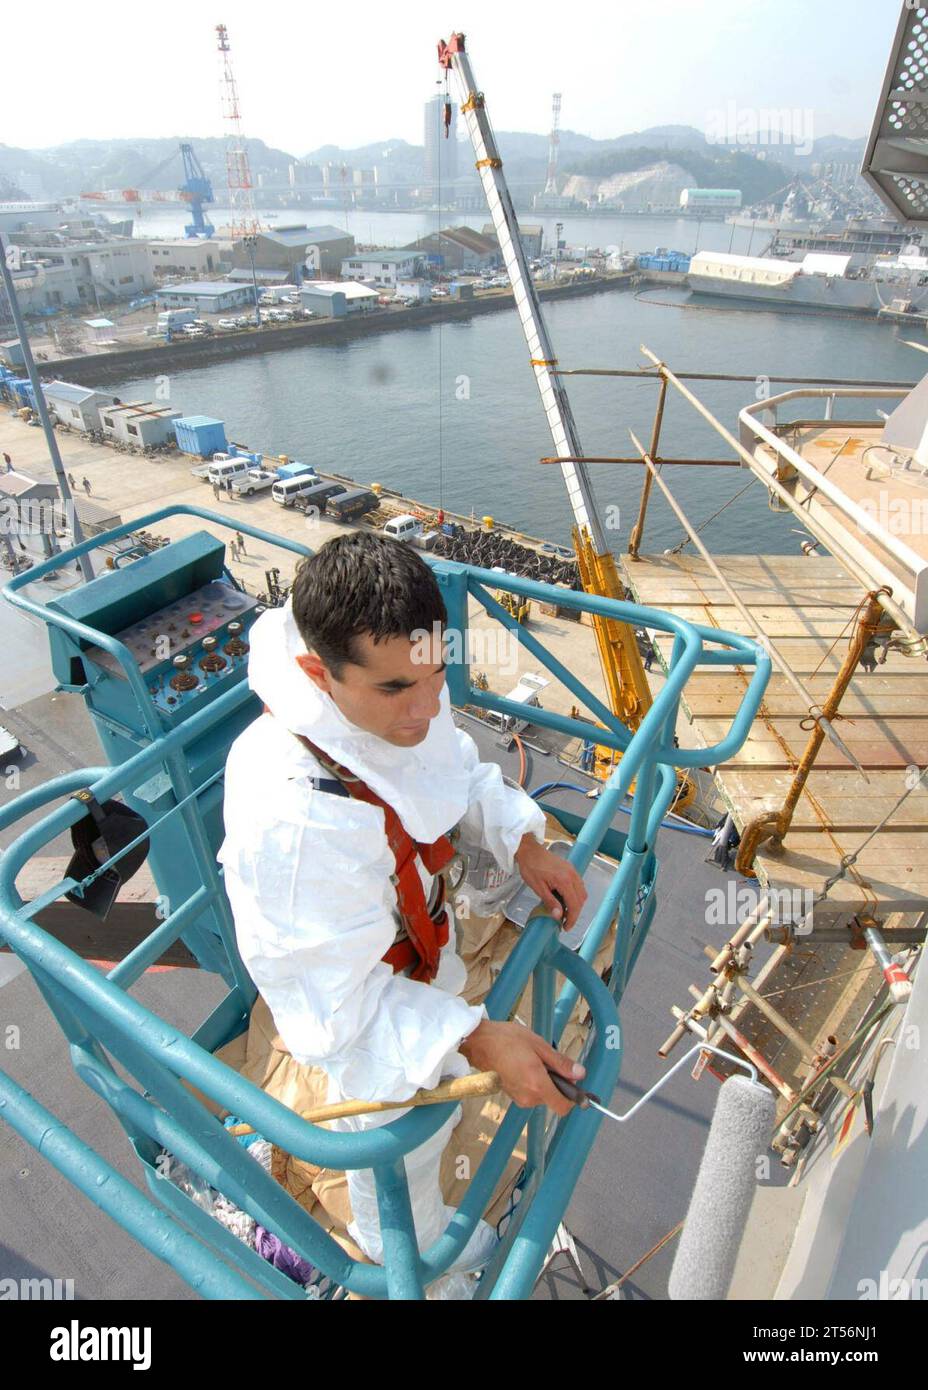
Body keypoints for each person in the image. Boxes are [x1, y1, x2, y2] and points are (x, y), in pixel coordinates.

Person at [218, 532, 587, 1271]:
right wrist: (477, 1038)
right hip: (362, 1010)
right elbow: (341, 1019)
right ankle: (417, 1261)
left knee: (436, 1090)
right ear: (315, 672)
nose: (426, 709)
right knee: (395, 1172)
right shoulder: (293, 824)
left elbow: (445, 766)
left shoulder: (398, 693)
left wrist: (523, 841)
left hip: (423, 955)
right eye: (395, 690)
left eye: (435, 677)